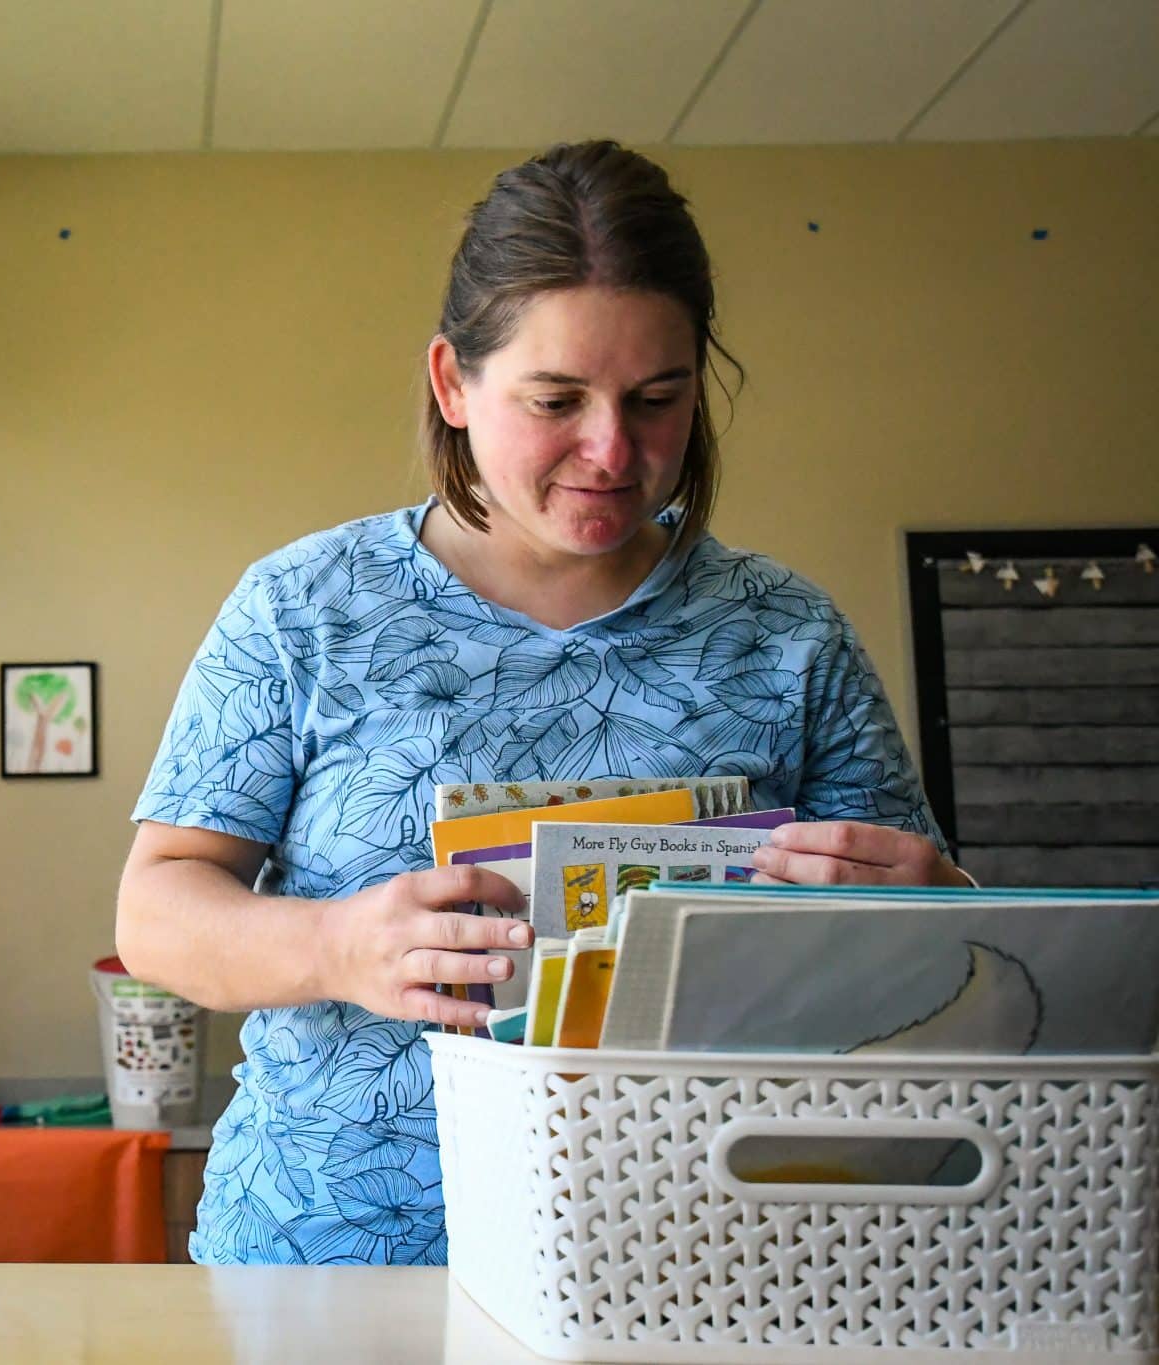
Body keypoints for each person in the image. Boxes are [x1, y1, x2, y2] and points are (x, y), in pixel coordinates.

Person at [115, 140, 970, 1267]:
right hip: (335, 1269)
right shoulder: (302, 607)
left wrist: (939, 910)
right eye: (555, 399)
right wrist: (334, 947)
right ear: (451, 384)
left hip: (706, 1265)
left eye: (655, 399)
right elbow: (156, 912)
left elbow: (947, 958)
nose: (612, 451)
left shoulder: (786, 632)